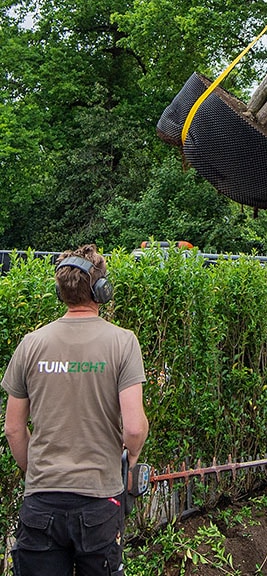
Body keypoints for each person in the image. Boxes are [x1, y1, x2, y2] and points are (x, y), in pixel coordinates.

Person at [2, 244, 149, 575]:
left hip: (41, 504)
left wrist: (38, 473)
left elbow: (13, 428)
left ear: (60, 291)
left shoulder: (31, 344)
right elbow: (135, 428)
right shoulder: (123, 342)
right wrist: (132, 460)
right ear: (102, 290)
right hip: (99, 505)